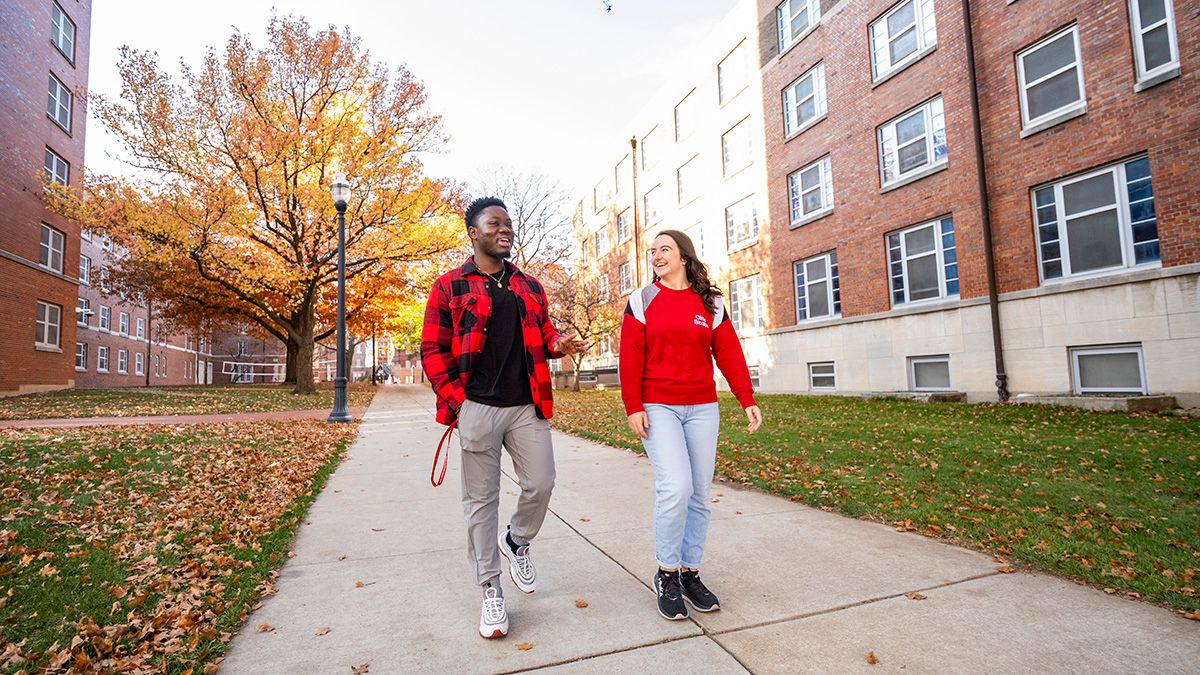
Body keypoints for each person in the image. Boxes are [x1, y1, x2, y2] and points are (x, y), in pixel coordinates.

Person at [421, 197, 585, 639]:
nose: (506, 230)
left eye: (509, 224)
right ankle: (491, 589)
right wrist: (458, 403)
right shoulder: (448, 286)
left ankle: (517, 540)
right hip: (476, 407)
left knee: (541, 482)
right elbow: (432, 350)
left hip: (526, 405)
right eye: (496, 224)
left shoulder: (529, 286)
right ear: (474, 233)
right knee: (480, 503)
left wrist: (560, 345)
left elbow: (544, 333)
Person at [618, 230, 763, 621]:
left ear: (684, 256)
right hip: (658, 405)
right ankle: (665, 572)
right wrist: (633, 404)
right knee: (675, 487)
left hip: (702, 407)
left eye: (664, 249)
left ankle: (689, 573)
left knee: (699, 494)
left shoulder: (711, 303)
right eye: (652, 251)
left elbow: (729, 352)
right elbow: (630, 357)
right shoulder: (642, 300)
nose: (656, 255)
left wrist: (746, 398)